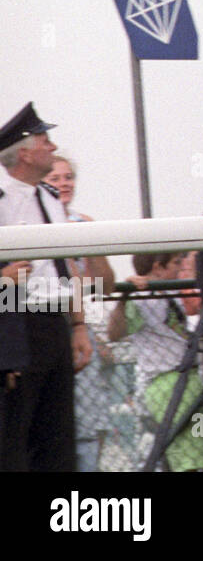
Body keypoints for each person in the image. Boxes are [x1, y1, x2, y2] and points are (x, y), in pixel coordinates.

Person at [0, 103, 92, 471]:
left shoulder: (50, 200)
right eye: (45, 141)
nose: (53, 149)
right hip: (13, 325)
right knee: (14, 439)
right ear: (24, 152)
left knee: (57, 437)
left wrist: (79, 325)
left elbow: (66, 267)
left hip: (52, 325)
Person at [46, 154, 118, 472]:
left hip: (82, 329)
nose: (63, 184)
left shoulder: (81, 222)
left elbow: (106, 287)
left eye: (67, 177)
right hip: (44, 325)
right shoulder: (25, 223)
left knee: (90, 428)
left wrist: (93, 242)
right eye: (55, 178)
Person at [108, 251, 203, 470]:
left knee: (201, 444)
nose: (180, 267)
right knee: (188, 452)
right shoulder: (142, 299)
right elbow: (114, 333)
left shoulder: (174, 292)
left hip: (191, 376)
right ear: (157, 267)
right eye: (175, 262)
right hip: (168, 380)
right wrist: (125, 297)